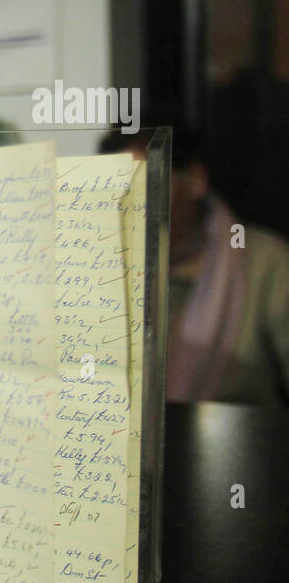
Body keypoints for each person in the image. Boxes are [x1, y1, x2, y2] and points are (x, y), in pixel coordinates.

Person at [100, 125, 289, 407]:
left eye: (146, 185)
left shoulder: (264, 262)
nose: (133, 205)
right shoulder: (101, 265)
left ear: (195, 180)